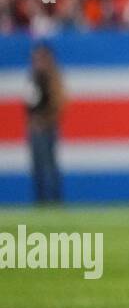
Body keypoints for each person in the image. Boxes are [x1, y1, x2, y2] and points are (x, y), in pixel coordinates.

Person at [25, 43, 64, 205]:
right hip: (34, 127)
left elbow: (58, 102)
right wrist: (32, 122)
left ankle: (55, 201)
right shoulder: (33, 77)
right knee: (37, 168)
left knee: (49, 167)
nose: (37, 61)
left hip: (47, 127)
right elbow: (29, 102)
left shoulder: (53, 77)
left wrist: (45, 120)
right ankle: (41, 202)